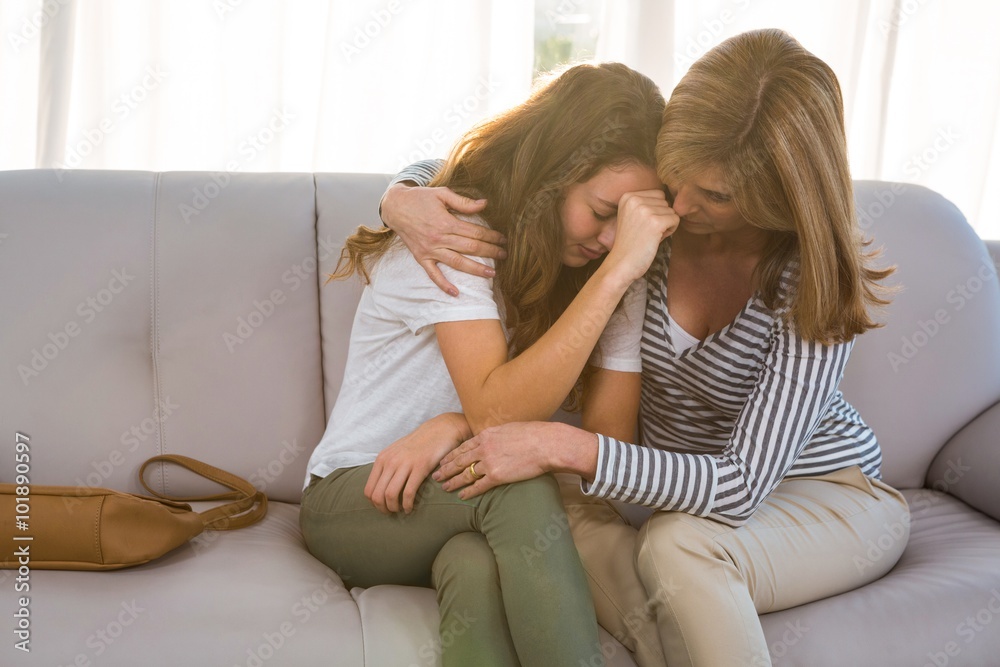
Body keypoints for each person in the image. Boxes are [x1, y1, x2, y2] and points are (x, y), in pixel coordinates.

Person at [379, 29, 910, 667]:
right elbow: (522, 162)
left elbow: (740, 489)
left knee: (677, 545)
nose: (680, 205)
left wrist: (557, 442)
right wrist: (401, 197)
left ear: (781, 195)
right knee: (546, 515)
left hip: (824, 495)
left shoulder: (807, 279)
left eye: (716, 197)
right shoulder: (641, 229)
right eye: (678, 175)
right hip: (670, 504)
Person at [300, 61, 680, 667]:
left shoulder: (616, 271)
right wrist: (614, 276)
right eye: (603, 211)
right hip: (357, 495)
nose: (612, 240)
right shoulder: (453, 239)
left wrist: (453, 426)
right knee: (515, 484)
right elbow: (498, 412)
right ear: (554, 177)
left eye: (628, 226)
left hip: (451, 504)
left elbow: (607, 448)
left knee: (473, 566)